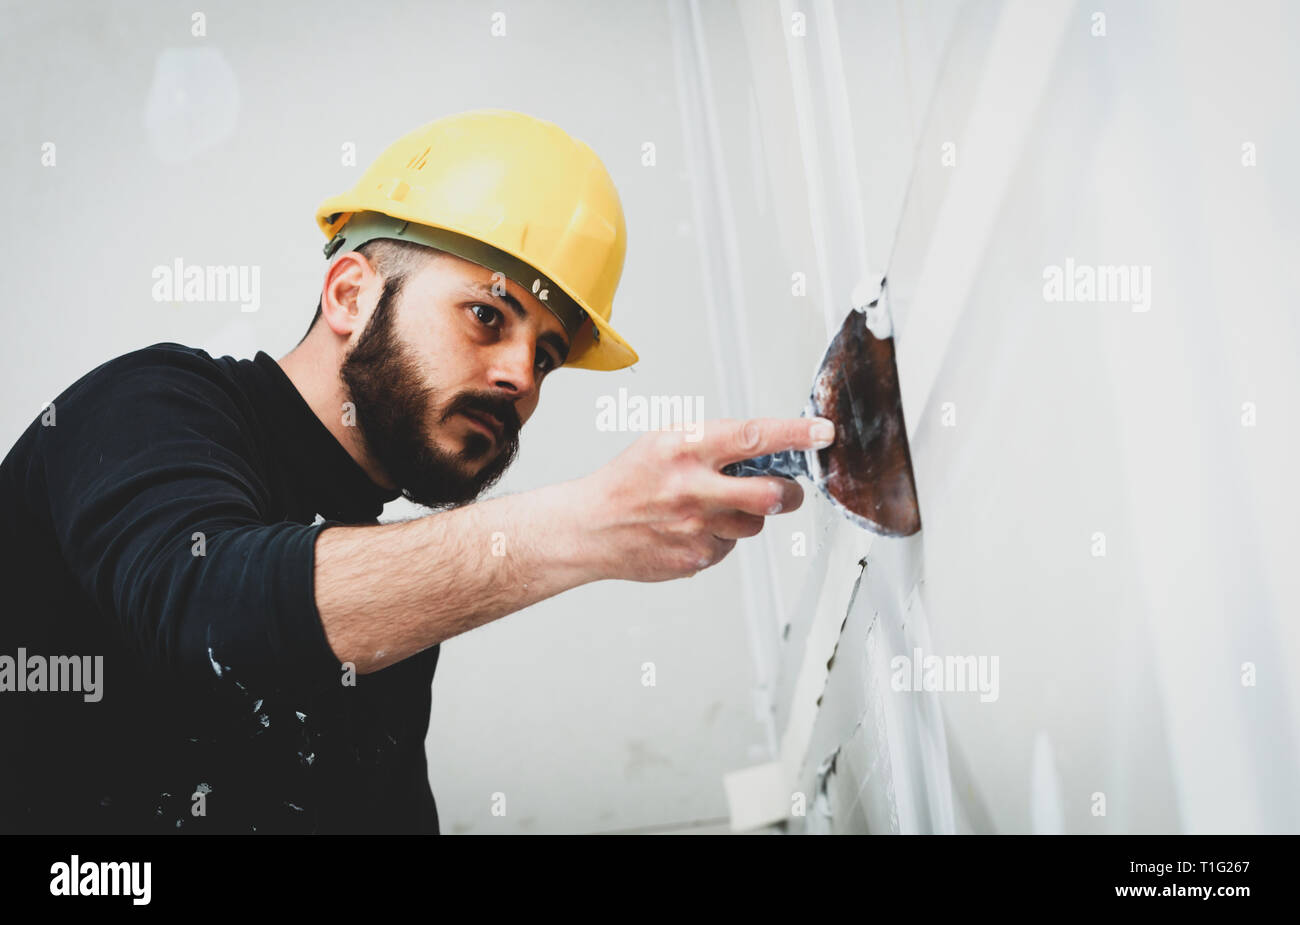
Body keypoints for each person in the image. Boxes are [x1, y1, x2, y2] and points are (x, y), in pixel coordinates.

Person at [0, 109, 834, 833]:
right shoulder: (146, 403)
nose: (521, 378)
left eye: (546, 355)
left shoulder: (385, 613)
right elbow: (209, 612)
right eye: (487, 314)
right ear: (351, 294)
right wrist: (587, 525)